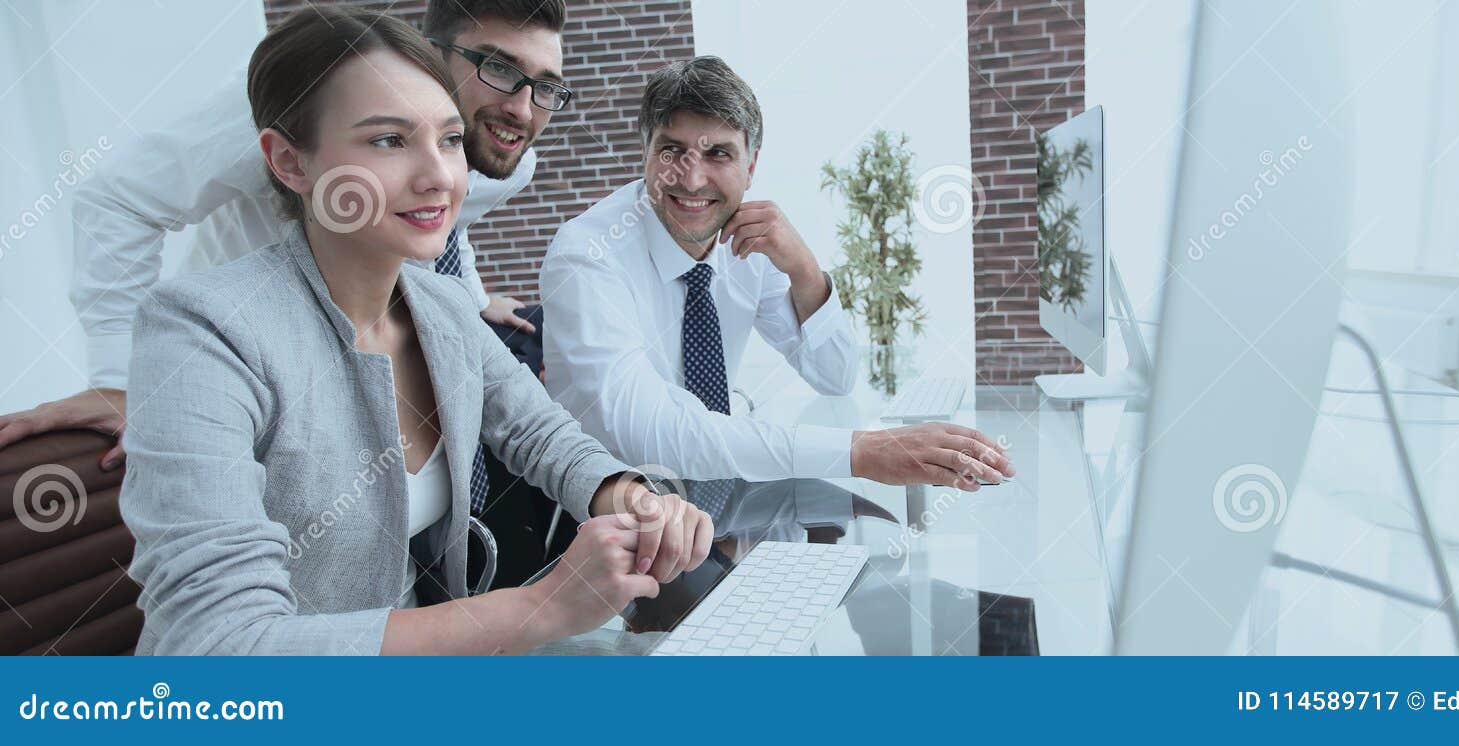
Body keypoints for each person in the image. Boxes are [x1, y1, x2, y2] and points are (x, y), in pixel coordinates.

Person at [121, 8, 710, 655]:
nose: (438, 176)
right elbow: (219, 644)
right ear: (289, 161)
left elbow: (540, 433)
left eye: (450, 139)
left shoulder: (440, 304)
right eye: (388, 140)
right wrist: (538, 608)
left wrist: (627, 494)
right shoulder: (202, 332)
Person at [0, 0, 566, 483]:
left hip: (375, 361)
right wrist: (125, 381)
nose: (521, 107)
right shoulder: (310, 101)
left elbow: (448, 223)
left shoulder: (508, 159)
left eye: (545, 86)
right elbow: (117, 201)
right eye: (496, 67)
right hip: (254, 370)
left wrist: (470, 294)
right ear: (428, 51)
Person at [541, 56, 1014, 490]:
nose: (691, 178)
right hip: (615, 518)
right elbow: (648, 434)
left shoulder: (750, 241)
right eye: (671, 150)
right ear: (646, 154)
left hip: (722, 499)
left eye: (718, 154)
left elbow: (835, 375)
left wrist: (805, 269)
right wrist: (858, 452)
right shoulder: (588, 255)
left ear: (752, 167)